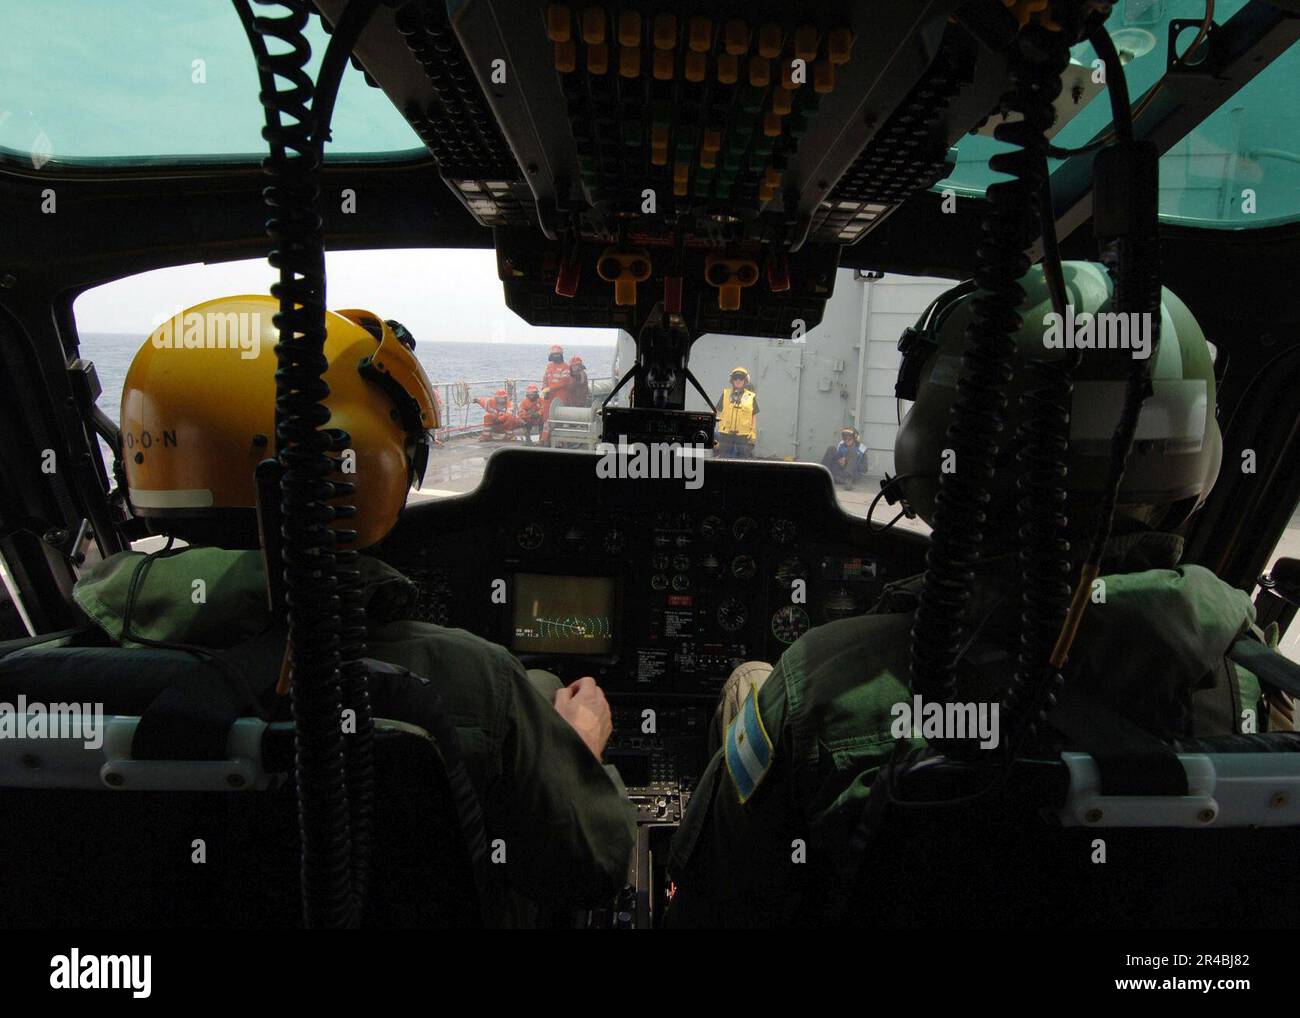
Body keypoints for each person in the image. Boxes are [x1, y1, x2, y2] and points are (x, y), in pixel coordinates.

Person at [665, 262, 1295, 927]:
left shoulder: (823, 685)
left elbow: (708, 911)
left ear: (938, 443)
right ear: (1198, 462)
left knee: (750, 684)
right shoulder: (1259, 693)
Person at [77, 295, 635, 915]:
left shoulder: (50, 672)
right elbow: (593, 867)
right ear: (367, 462)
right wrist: (574, 750)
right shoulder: (473, 680)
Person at [715, 366, 758, 458]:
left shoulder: (750, 396)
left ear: (745, 380)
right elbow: (717, 410)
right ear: (732, 380)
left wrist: (753, 431)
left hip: (743, 434)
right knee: (723, 458)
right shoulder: (726, 394)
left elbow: (753, 415)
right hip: (726, 433)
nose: (738, 380)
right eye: (735, 378)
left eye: (741, 378)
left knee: (745, 458)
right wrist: (709, 423)